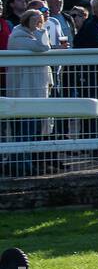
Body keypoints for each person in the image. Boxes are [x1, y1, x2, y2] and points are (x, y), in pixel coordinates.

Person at [5, 9, 54, 176]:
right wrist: (41, 30)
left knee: (31, 130)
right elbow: (43, 47)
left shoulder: (31, 35)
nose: (39, 24)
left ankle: (21, 163)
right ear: (26, 21)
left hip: (34, 91)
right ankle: (21, 165)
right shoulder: (18, 37)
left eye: (41, 21)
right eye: (36, 21)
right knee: (25, 130)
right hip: (23, 92)